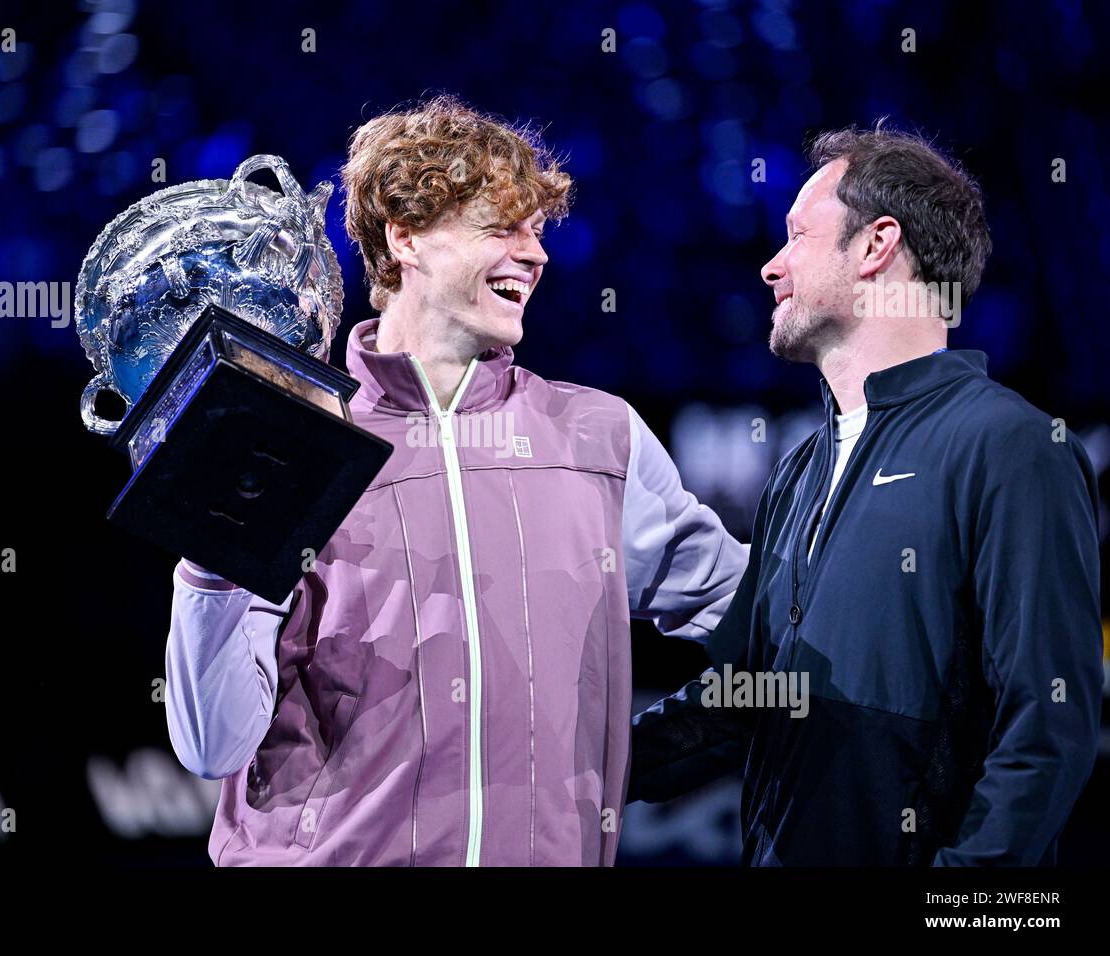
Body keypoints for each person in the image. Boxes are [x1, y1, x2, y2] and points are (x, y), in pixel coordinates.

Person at [163, 94, 748, 865]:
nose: (536, 254)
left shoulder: (598, 439)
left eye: (537, 230)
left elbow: (759, 618)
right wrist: (210, 571)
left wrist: (682, 737)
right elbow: (213, 744)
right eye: (502, 226)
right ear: (406, 237)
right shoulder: (291, 444)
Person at [630, 121, 1102, 866]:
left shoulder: (1009, 447)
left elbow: (1049, 724)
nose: (770, 267)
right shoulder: (801, 469)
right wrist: (577, 772)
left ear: (877, 245)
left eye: (796, 235)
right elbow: (745, 698)